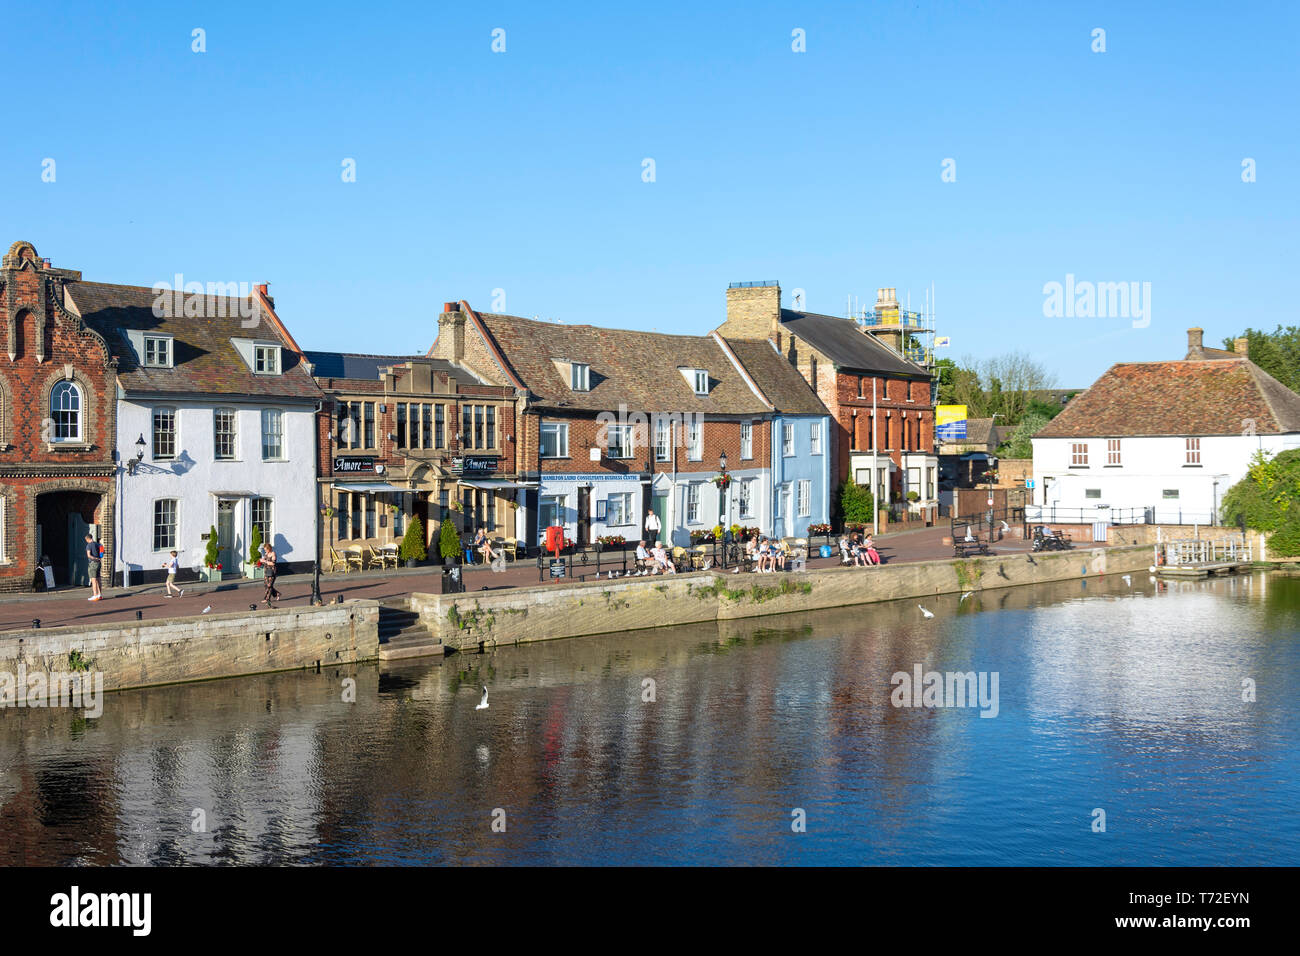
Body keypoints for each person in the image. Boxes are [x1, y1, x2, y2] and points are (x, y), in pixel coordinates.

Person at [260, 541, 281, 607]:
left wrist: (265, 561)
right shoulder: (266, 554)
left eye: (266, 549)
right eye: (264, 550)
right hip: (266, 571)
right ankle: (277, 593)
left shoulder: (273, 554)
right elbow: (264, 561)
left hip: (272, 572)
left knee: (269, 585)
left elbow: (273, 563)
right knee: (266, 585)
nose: (265, 551)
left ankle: (267, 599)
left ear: (269, 548)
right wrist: (260, 562)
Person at [84, 534, 103, 601]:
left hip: (93, 564)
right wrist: (99, 558)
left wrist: (95, 558)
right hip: (99, 563)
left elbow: (89, 555)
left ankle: (95, 595)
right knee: (98, 579)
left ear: (87, 539)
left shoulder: (89, 545)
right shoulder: (98, 544)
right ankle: (99, 595)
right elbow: (103, 551)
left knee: (93, 580)